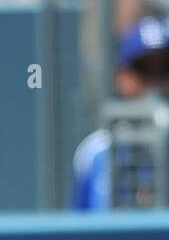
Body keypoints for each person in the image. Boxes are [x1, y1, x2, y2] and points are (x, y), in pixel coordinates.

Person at [72, 16, 169, 208]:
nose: (154, 81)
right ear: (122, 76)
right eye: (144, 69)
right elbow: (79, 228)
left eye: (164, 68)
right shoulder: (96, 151)